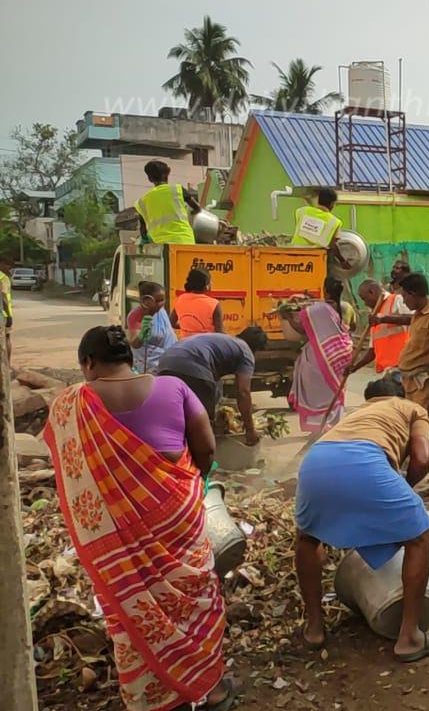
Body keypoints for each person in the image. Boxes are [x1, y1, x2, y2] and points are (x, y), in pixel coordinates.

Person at [44, 326, 235, 711]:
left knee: (129, 606)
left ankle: (149, 698)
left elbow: (70, 471)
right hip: (178, 518)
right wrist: (183, 482)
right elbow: (207, 448)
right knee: (196, 596)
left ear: (88, 363)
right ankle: (209, 688)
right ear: (130, 359)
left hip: (117, 536)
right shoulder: (174, 387)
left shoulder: (70, 404)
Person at [294, 377, 429, 662]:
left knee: (307, 538)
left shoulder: (358, 414)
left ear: (370, 398)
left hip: (315, 462)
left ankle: (314, 627)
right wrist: (406, 487)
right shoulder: (411, 408)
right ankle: (410, 638)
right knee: (419, 536)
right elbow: (422, 457)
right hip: (365, 460)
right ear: (400, 394)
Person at [156, 328, 269, 446]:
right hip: (192, 365)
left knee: (174, 417)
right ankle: (202, 459)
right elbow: (243, 392)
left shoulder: (225, 341)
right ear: (256, 349)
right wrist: (250, 430)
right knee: (202, 423)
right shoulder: (246, 351)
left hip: (166, 362)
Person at [396, 273, 429, 504]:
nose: (403, 302)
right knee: (418, 436)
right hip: (412, 384)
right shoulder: (419, 315)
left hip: (426, 387)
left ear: (414, 294)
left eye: (404, 297)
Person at [283, 297, 354, 432]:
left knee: (322, 399)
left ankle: (322, 429)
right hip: (333, 376)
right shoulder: (344, 340)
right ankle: (333, 428)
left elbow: (302, 329)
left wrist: (288, 317)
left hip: (317, 379)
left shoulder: (318, 340)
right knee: (335, 399)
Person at [348, 278, 413, 380]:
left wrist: (383, 319)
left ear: (372, 292)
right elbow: (372, 351)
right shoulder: (374, 316)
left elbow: (413, 319)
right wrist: (355, 367)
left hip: (402, 368)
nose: (365, 303)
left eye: (364, 299)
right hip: (386, 371)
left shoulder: (396, 300)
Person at [135, 160, 200, 245]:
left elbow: (143, 232)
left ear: (150, 179)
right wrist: (193, 212)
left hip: (160, 246)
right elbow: (197, 207)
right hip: (185, 241)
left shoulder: (142, 201)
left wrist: (145, 240)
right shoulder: (177, 190)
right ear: (168, 173)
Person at [126, 281, 178, 374]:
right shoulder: (135, 316)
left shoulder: (161, 312)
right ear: (145, 301)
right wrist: (141, 335)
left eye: (163, 300)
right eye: (157, 301)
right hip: (149, 367)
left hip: (168, 361)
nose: (161, 304)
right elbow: (134, 343)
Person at [291, 188, 343, 259]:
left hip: (294, 256)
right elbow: (333, 246)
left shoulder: (301, 211)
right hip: (316, 260)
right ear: (332, 204)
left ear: (318, 200)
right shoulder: (335, 222)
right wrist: (342, 260)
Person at [171, 268, 223, 339]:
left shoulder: (180, 299)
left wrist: (188, 328)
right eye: (211, 281)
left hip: (186, 345)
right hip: (207, 346)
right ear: (207, 285)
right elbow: (219, 333)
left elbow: (171, 323)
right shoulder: (214, 304)